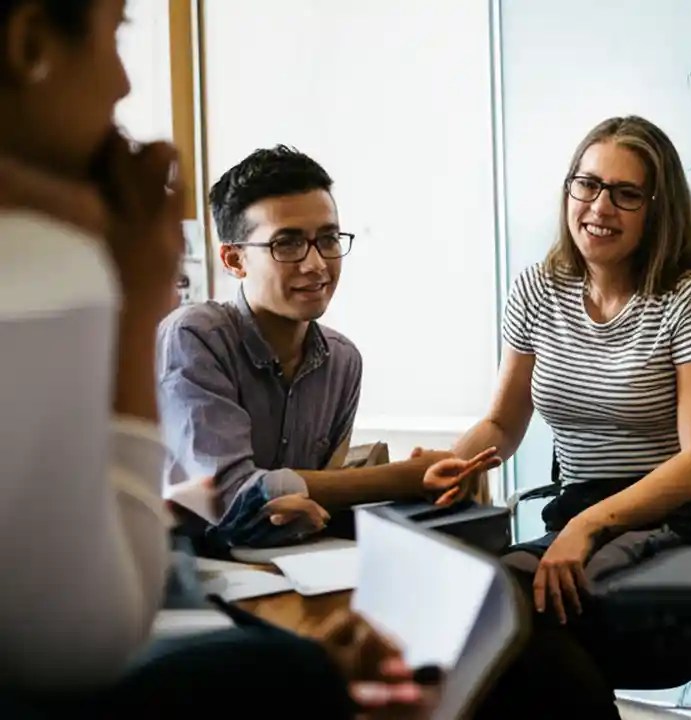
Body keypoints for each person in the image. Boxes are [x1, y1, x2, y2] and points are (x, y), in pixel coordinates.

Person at [0, 1, 433, 716]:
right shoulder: (122, 307)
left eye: (330, 239)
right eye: (117, 36)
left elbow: (291, 505)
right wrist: (139, 292)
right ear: (30, 45)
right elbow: (84, 631)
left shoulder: (340, 359)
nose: (123, 87)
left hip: (225, 582)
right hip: (183, 587)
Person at [442, 115, 691, 717]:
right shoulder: (536, 289)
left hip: (669, 522)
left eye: (626, 194)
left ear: (659, 208)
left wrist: (589, 528)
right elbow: (503, 423)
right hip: (577, 513)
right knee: (494, 614)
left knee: (511, 611)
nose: (600, 207)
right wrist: (455, 461)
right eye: (587, 185)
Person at [157, 145, 497, 548]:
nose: (316, 264)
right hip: (193, 575)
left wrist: (425, 477)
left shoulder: (342, 361)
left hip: (298, 566)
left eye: (329, 239)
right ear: (234, 260)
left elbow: (318, 499)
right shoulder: (195, 337)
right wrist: (404, 477)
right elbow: (232, 497)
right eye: (287, 244)